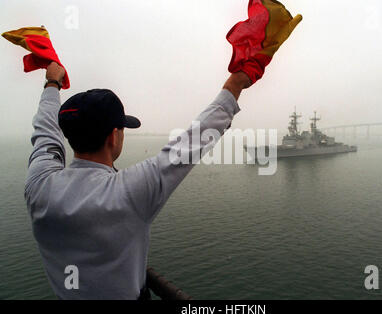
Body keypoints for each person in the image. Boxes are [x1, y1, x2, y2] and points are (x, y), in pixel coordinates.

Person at [25, 61, 251, 300]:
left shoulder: (39, 186)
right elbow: (190, 144)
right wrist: (236, 82)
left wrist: (52, 84)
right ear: (114, 136)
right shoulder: (126, 193)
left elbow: (45, 133)